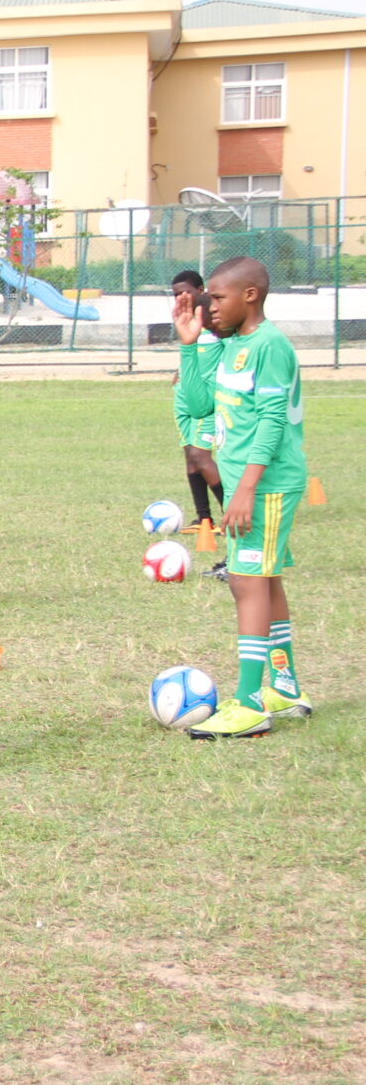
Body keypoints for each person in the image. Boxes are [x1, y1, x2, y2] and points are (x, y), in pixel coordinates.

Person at [171, 256, 312, 740]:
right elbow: (195, 405)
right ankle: (286, 687)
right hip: (245, 486)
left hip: (267, 486)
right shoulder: (230, 346)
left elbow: (273, 422)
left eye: (219, 296)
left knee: (246, 583)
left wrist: (245, 490)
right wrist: (190, 348)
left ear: (251, 295)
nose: (208, 305)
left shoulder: (269, 345)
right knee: (263, 581)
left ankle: (251, 702)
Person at [170, 270, 228, 580]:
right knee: (190, 456)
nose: (180, 297)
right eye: (175, 293)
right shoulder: (186, 320)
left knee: (202, 457)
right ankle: (204, 518)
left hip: (208, 402)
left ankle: (229, 518)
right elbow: (192, 354)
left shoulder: (216, 322)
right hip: (188, 398)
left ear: (200, 289)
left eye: (185, 291)